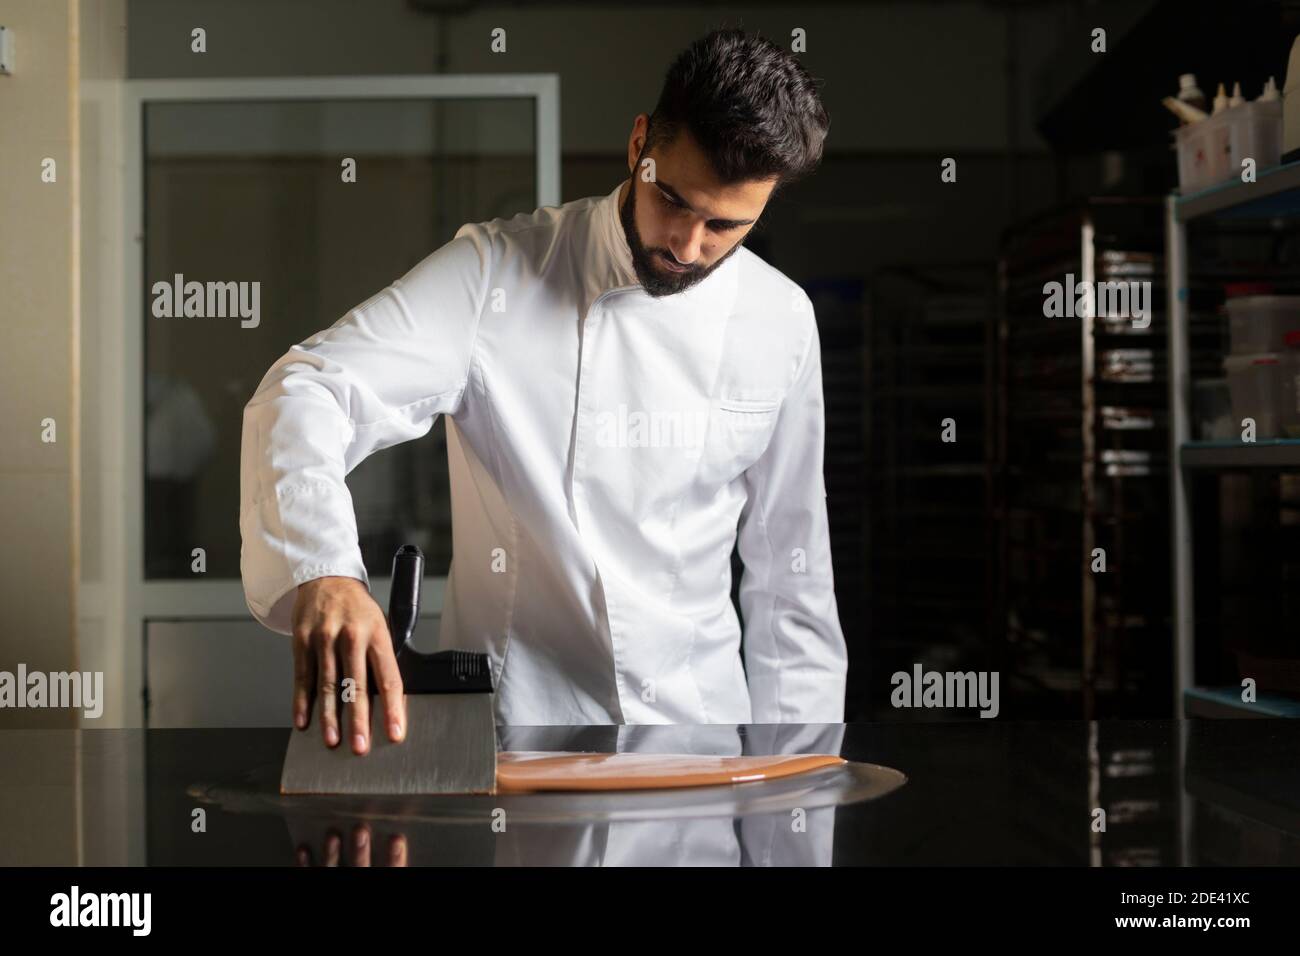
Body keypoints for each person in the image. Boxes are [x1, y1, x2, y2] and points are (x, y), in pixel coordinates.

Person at [240, 28, 847, 753]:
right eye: (673, 200)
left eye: (725, 225)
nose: (687, 246)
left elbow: (792, 580)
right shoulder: (494, 272)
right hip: (519, 748)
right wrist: (324, 568)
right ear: (638, 145)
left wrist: (795, 795)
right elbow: (309, 387)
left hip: (699, 748)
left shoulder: (779, 319)